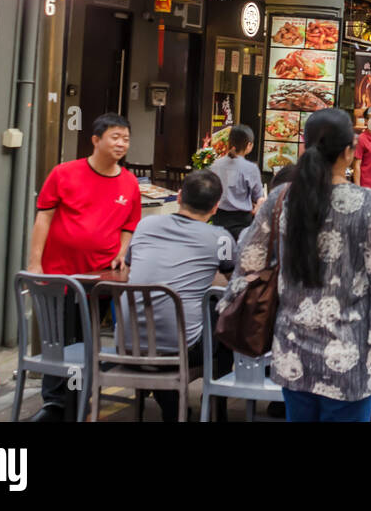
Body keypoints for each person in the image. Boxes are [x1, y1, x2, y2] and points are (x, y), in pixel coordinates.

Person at [219, 109, 371, 422]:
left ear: (305, 147)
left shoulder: (281, 198)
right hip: (350, 359)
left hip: (292, 354)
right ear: (349, 152)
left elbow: (247, 262)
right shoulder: (367, 203)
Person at [26, 112, 141, 422]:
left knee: (84, 344)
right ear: (96, 140)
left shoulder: (129, 182)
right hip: (59, 275)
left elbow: (130, 225)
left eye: (126, 139)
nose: (121, 144)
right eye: (115, 137)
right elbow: (44, 217)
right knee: (59, 342)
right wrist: (35, 263)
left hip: (98, 280)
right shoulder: (64, 173)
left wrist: (122, 250)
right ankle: (55, 404)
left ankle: (77, 402)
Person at [126, 170, 236, 421]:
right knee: (222, 316)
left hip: (128, 342)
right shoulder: (220, 238)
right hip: (183, 349)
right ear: (216, 207)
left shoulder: (145, 226)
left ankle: (173, 409)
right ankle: (216, 408)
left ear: (178, 196)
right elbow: (234, 285)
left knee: (166, 318)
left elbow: (132, 265)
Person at [210, 125, 264, 242]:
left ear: (229, 142)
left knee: (222, 255)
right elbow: (259, 198)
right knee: (238, 256)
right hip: (241, 222)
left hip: (218, 218)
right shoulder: (251, 168)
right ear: (249, 145)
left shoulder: (215, 165)